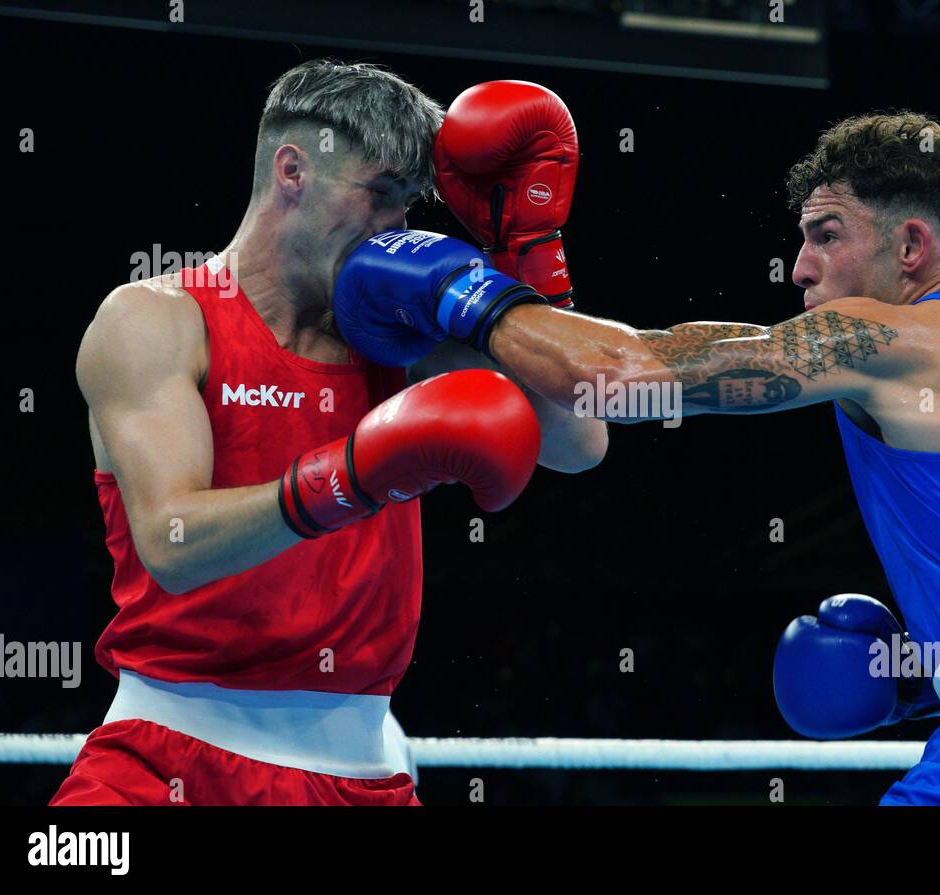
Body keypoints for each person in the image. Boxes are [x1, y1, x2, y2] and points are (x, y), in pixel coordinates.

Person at [334, 98, 940, 805]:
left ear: (912, 247)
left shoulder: (895, 340)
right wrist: (924, 669)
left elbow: (622, 377)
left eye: (826, 234)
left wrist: (472, 290)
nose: (798, 267)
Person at [53, 60, 606, 807]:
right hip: (162, 762)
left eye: (409, 206)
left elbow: (580, 440)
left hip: (362, 778)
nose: (395, 231)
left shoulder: (402, 334)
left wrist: (524, 254)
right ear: (293, 171)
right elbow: (172, 543)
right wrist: (352, 474)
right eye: (379, 196)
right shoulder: (156, 320)